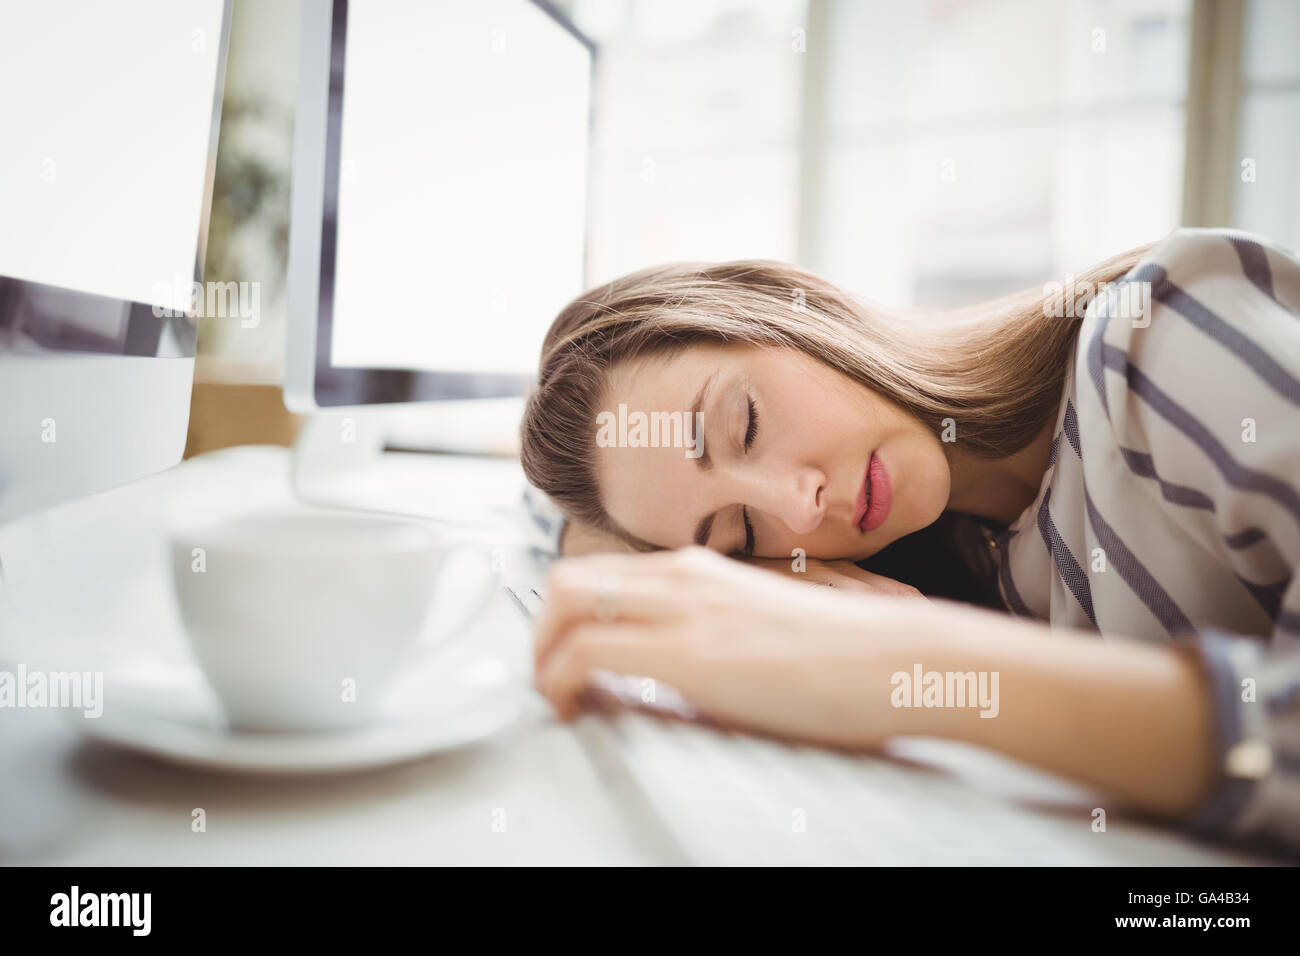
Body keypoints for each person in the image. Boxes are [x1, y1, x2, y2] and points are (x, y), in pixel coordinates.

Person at [520, 226, 1300, 855]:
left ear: (793, 312)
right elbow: (558, 530)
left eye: (746, 425)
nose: (798, 507)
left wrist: (896, 660)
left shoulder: (1155, 345)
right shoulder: (973, 554)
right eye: (742, 535)